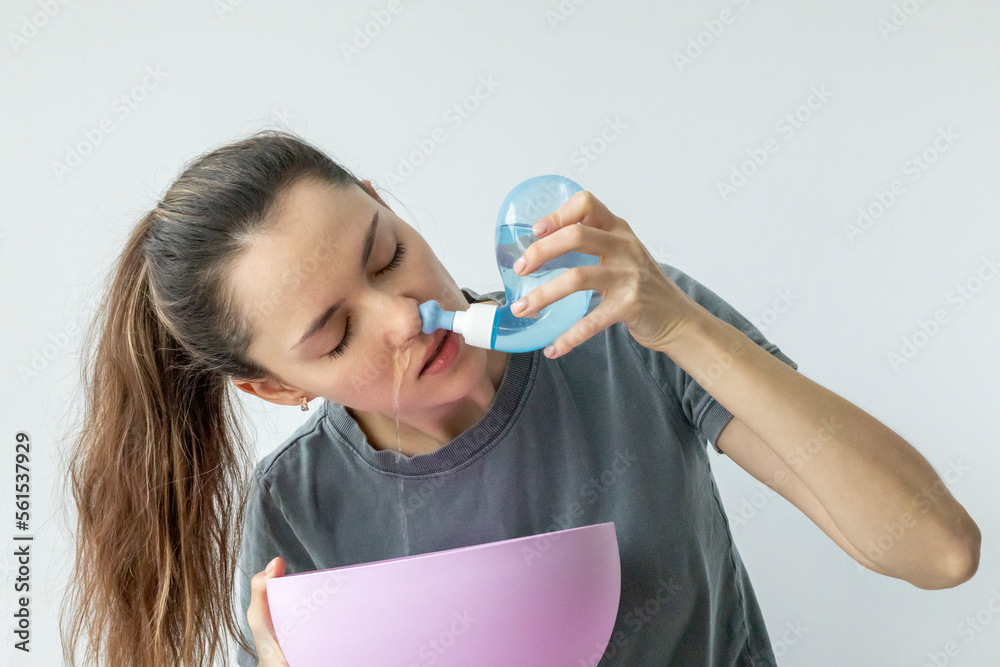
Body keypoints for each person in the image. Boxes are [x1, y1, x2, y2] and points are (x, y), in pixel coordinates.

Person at [60, 130, 981, 666]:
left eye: (386, 253)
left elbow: (938, 550)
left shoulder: (621, 331)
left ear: (388, 201)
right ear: (272, 385)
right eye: (335, 335)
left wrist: (682, 325)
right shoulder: (303, 511)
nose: (404, 315)